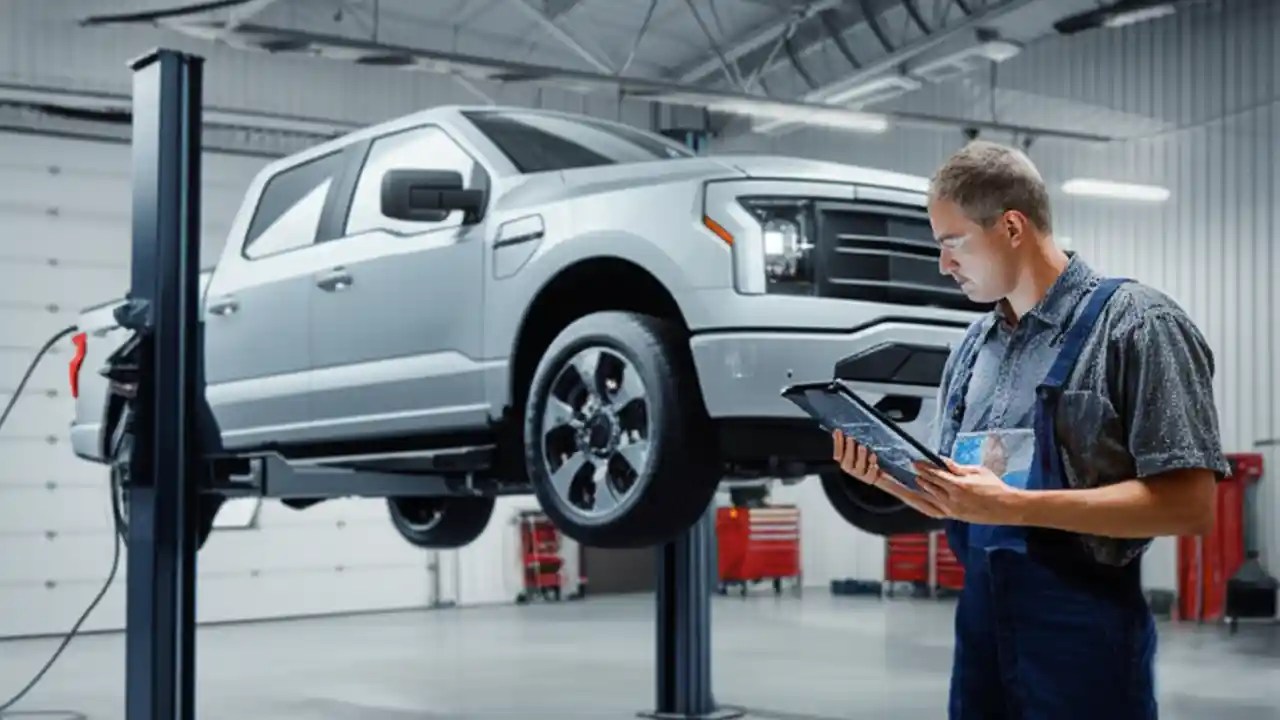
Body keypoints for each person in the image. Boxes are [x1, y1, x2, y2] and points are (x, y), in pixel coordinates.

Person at [832, 140, 1228, 719]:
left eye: (953, 243)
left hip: (1085, 645)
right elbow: (976, 499)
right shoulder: (972, 349)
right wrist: (897, 481)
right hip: (982, 638)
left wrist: (1014, 507)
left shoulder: (1137, 325)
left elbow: (1190, 505)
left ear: (1012, 227)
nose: (944, 265)